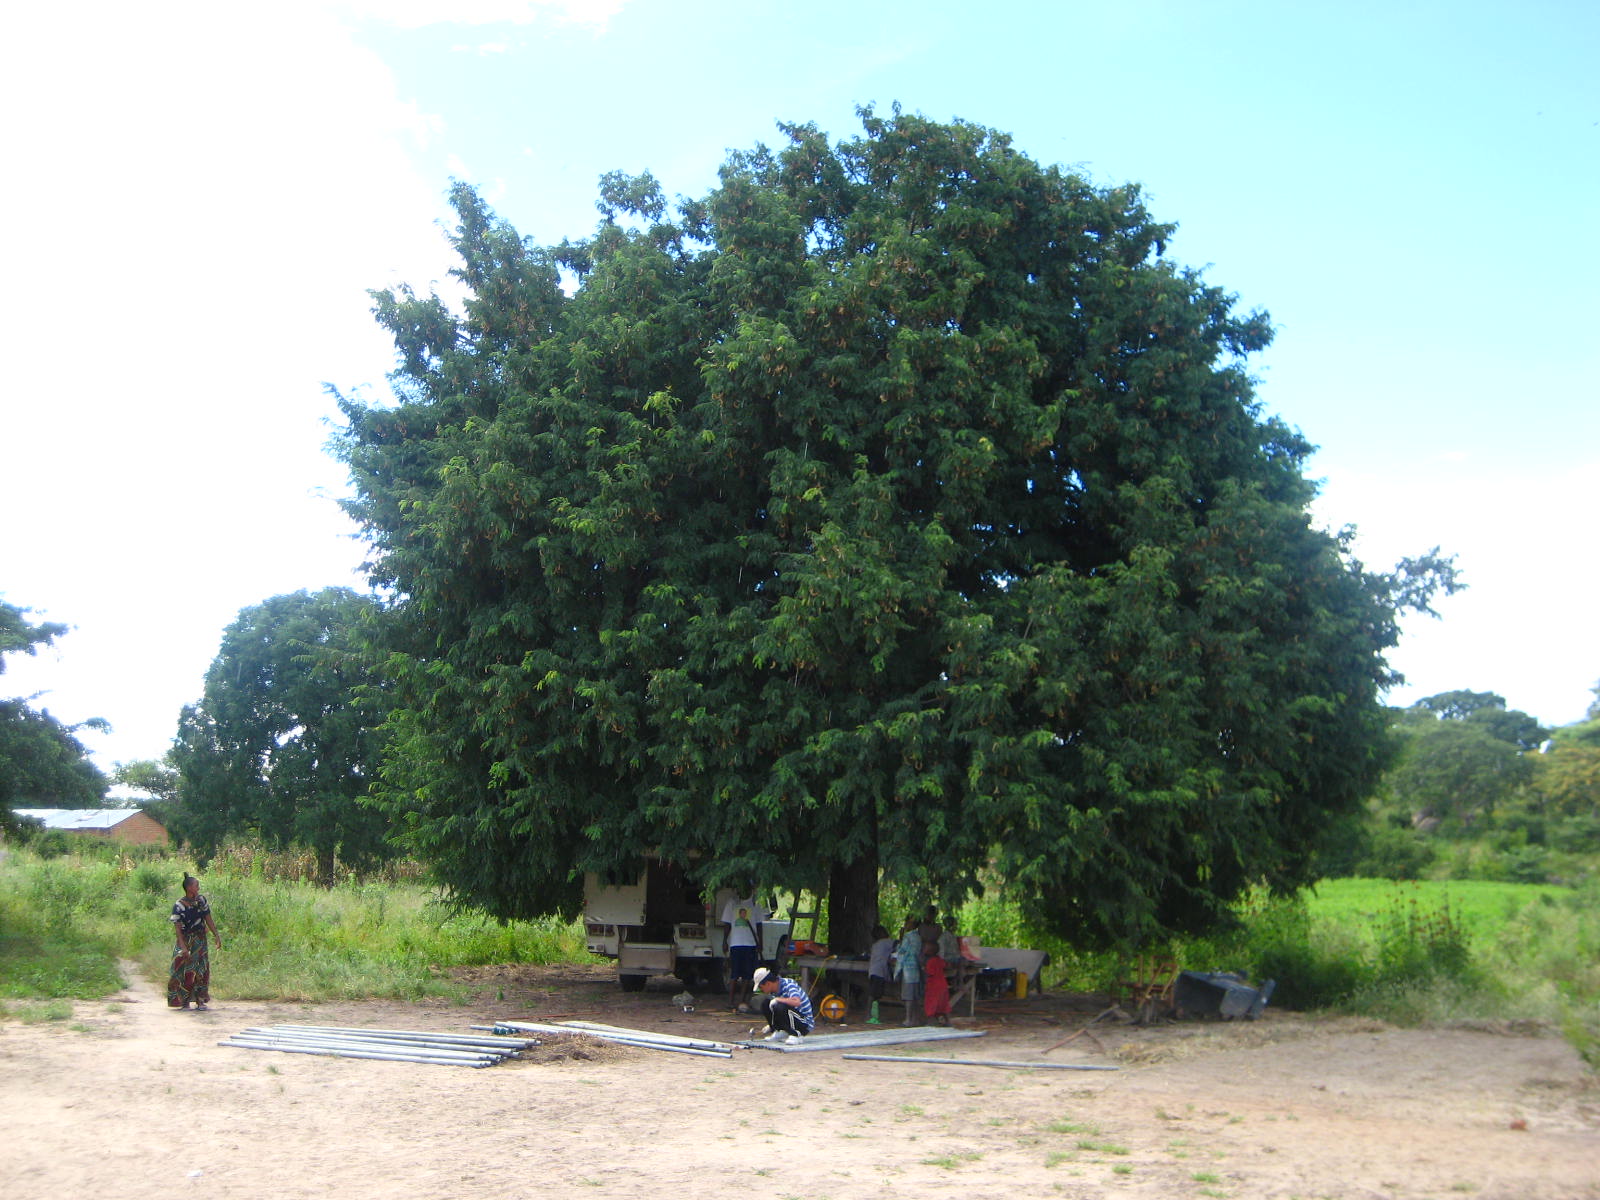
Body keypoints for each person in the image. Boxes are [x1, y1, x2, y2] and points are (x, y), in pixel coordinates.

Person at [167, 874, 222, 1010]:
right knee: (182, 970)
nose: (198, 888)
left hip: (200, 940)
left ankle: (200, 1000)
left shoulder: (201, 900)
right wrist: (183, 947)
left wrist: (216, 935)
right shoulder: (179, 905)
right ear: (189, 888)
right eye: (196, 885)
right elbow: (178, 929)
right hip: (186, 940)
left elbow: (208, 918)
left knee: (201, 969)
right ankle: (184, 1001)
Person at [720, 889, 769, 1013]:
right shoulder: (732, 902)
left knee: (748, 975)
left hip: (750, 944)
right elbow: (727, 925)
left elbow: (759, 925)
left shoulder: (755, 903)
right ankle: (730, 1001)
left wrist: (760, 942)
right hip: (736, 944)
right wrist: (724, 941)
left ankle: (742, 1000)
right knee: (734, 974)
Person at [751, 966, 813, 1043]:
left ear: (768, 984)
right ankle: (780, 1031)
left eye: (761, 987)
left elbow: (797, 1001)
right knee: (766, 1004)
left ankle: (797, 1034)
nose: (761, 990)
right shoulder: (774, 991)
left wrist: (778, 999)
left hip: (804, 1023)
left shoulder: (788, 985)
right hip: (793, 1017)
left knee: (778, 1005)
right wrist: (771, 1026)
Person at [892, 915, 923, 1026]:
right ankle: (915, 1018)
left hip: (907, 969)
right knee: (914, 995)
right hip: (915, 969)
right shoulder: (918, 937)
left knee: (908, 995)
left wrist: (900, 939)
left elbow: (902, 951)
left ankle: (908, 1019)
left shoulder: (908, 936)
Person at [866, 923, 895, 1022]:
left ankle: (872, 1014)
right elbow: (898, 943)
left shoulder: (875, 945)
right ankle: (870, 1015)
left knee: (874, 994)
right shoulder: (885, 942)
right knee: (874, 994)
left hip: (873, 971)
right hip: (879, 972)